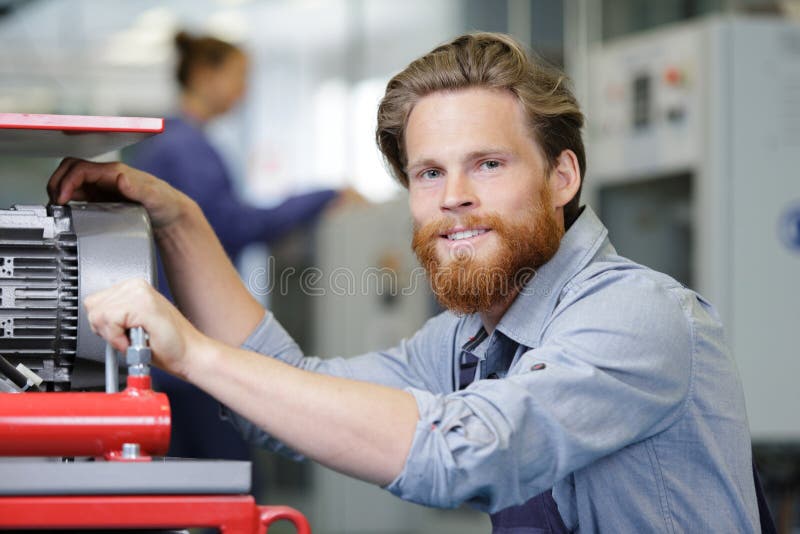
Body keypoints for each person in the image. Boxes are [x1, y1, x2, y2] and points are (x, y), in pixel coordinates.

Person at [49, 33, 765, 532]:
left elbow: (467, 454)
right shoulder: (466, 342)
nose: (452, 195)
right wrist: (178, 219)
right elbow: (288, 384)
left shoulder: (637, 313)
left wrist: (193, 352)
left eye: (488, 164)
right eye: (429, 172)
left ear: (562, 177)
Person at [128, 32, 343, 465]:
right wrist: (323, 197)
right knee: (230, 486)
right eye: (239, 76)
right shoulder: (187, 149)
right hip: (188, 351)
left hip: (165, 348)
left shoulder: (168, 143)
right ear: (205, 76)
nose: (245, 90)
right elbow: (233, 225)